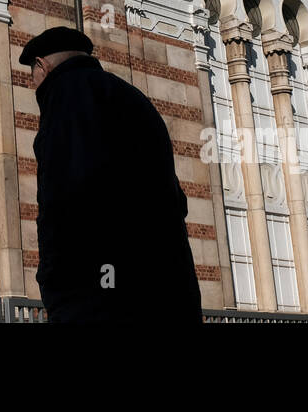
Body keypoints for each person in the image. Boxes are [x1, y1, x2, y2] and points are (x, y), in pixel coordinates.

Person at [22, 25, 202, 323]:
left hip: (101, 297)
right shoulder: (135, 98)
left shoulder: (65, 96)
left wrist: (55, 285)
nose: (36, 86)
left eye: (34, 78)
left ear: (42, 66)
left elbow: (64, 196)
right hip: (169, 290)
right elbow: (175, 201)